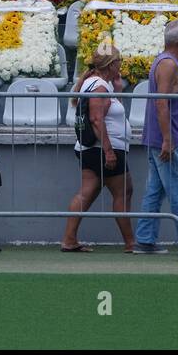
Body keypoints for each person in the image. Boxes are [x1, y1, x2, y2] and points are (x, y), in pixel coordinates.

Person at [134, 21, 178, 255]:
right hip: (169, 140)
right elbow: (161, 102)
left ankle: (145, 239)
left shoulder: (166, 62)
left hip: (165, 138)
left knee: (155, 191)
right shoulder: (168, 65)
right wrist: (168, 139)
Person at [62, 44, 134, 253]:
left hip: (92, 149)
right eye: (119, 61)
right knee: (123, 192)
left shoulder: (96, 84)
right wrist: (109, 151)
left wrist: (118, 90)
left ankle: (69, 239)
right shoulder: (100, 86)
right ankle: (131, 243)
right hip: (103, 149)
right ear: (112, 64)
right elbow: (96, 118)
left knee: (87, 193)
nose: (121, 64)